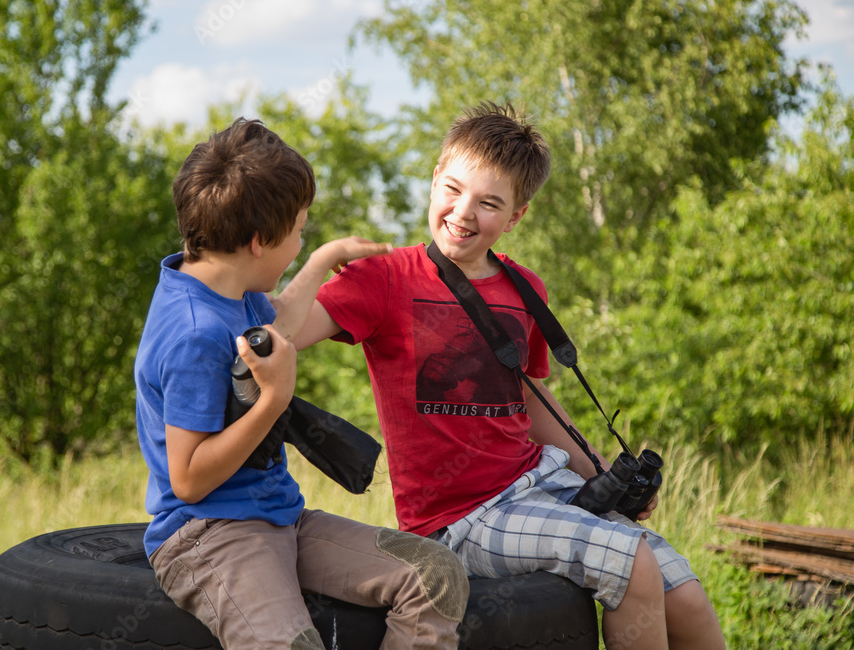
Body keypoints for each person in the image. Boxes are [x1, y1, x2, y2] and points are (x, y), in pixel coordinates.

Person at [291, 103, 725, 649]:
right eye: (453, 189)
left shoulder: (524, 288)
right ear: (434, 179)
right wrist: (319, 262)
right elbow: (283, 332)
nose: (463, 213)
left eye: (488, 203)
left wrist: (602, 478)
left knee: (682, 591)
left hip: (539, 484)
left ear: (516, 216)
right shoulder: (383, 278)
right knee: (632, 563)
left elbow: (530, 400)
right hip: (460, 518)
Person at [133, 117, 469, 650]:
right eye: (299, 233)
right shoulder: (193, 333)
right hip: (208, 534)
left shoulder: (223, 287)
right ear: (260, 242)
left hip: (280, 517)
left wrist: (323, 260)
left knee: (432, 573)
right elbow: (189, 479)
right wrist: (274, 401)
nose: (299, 243)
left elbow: (277, 322)